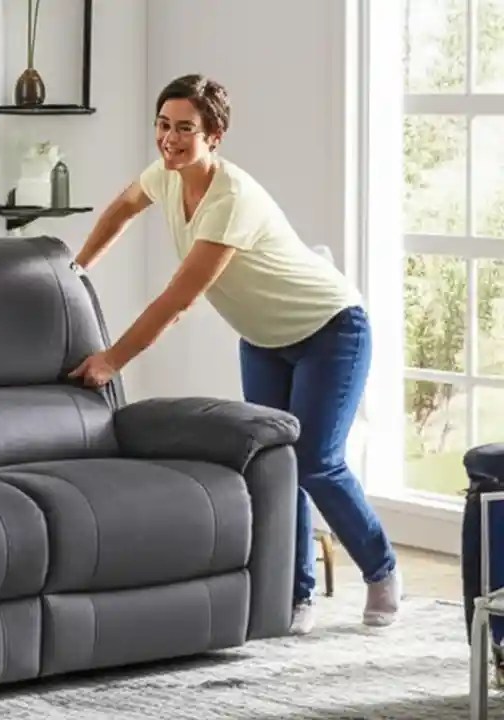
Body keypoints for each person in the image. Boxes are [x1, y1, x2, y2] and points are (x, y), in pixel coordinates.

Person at [66, 73, 400, 635]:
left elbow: (178, 300)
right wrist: (79, 268)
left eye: (186, 129)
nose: (170, 139)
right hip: (265, 340)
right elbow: (122, 207)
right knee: (277, 462)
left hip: (331, 329)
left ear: (215, 135)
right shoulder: (166, 177)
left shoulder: (231, 198)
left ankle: (383, 569)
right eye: (163, 125)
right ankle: (297, 596)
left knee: (315, 460)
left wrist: (112, 359)